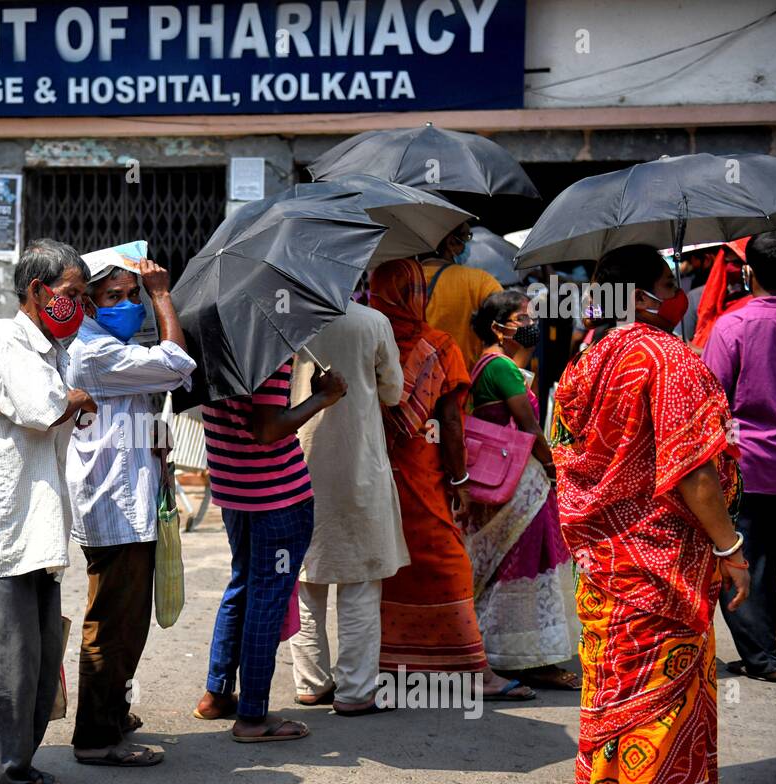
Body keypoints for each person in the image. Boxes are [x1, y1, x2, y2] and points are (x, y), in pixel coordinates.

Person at [553, 243, 747, 784]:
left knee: (615, 683)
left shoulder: (589, 356)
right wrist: (731, 547)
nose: (676, 293)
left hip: (602, 554)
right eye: (668, 282)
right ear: (642, 294)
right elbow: (693, 471)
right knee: (664, 689)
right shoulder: (664, 357)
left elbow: (567, 447)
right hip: (661, 557)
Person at [0, 239, 95, 784]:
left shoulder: (48, 347)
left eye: (83, 297)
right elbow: (44, 408)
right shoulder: (7, 338)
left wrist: (73, 396)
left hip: (36, 530)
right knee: (8, 668)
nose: (79, 307)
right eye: (71, 295)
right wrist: (77, 397)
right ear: (37, 292)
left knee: (39, 663)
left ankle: (16, 761)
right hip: (5, 532)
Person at [373, 259, 534, 700]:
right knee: (449, 563)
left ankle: (394, 661)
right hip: (423, 471)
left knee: (391, 565)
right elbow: (451, 421)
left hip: (375, 469)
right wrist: (460, 478)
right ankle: (473, 670)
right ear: (416, 295)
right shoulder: (437, 345)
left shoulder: (371, 338)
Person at [66, 252, 195, 766]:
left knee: (128, 619)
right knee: (112, 622)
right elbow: (177, 365)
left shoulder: (112, 349)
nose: (127, 306)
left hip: (129, 502)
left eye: (133, 296)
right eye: (112, 297)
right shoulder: (96, 351)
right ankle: (96, 737)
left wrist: (153, 439)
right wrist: (162, 294)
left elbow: (132, 415)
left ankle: (113, 713)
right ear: (91, 304)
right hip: (113, 506)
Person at [193, 351, 349, 741]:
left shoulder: (208, 349)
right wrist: (321, 400)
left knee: (244, 585)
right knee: (268, 598)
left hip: (233, 490)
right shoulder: (265, 354)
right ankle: (253, 716)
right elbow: (266, 430)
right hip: (277, 498)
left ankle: (217, 693)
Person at [289, 296, 408, 716]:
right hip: (358, 464)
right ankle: (356, 691)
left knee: (306, 576)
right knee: (359, 579)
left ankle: (310, 682)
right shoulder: (372, 321)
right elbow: (393, 393)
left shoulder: (288, 317)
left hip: (297, 462)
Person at [464, 290, 580, 690]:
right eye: (522, 319)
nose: (531, 326)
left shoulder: (491, 364)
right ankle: (530, 659)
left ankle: (513, 652)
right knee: (530, 563)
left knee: (511, 567)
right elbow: (530, 427)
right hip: (521, 484)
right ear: (499, 328)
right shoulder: (502, 369)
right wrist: (553, 467)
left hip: (508, 482)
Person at [702, 229, 776, 683]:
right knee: (766, 558)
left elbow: (711, 401)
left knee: (746, 558)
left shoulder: (732, 326)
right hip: (763, 466)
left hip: (751, 466)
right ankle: (764, 651)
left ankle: (763, 658)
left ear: (748, 272)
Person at [420, 221, 503, 368]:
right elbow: (506, 320)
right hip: (464, 381)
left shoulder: (398, 280)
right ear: (451, 243)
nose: (467, 247)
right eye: (466, 238)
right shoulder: (481, 281)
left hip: (411, 382)